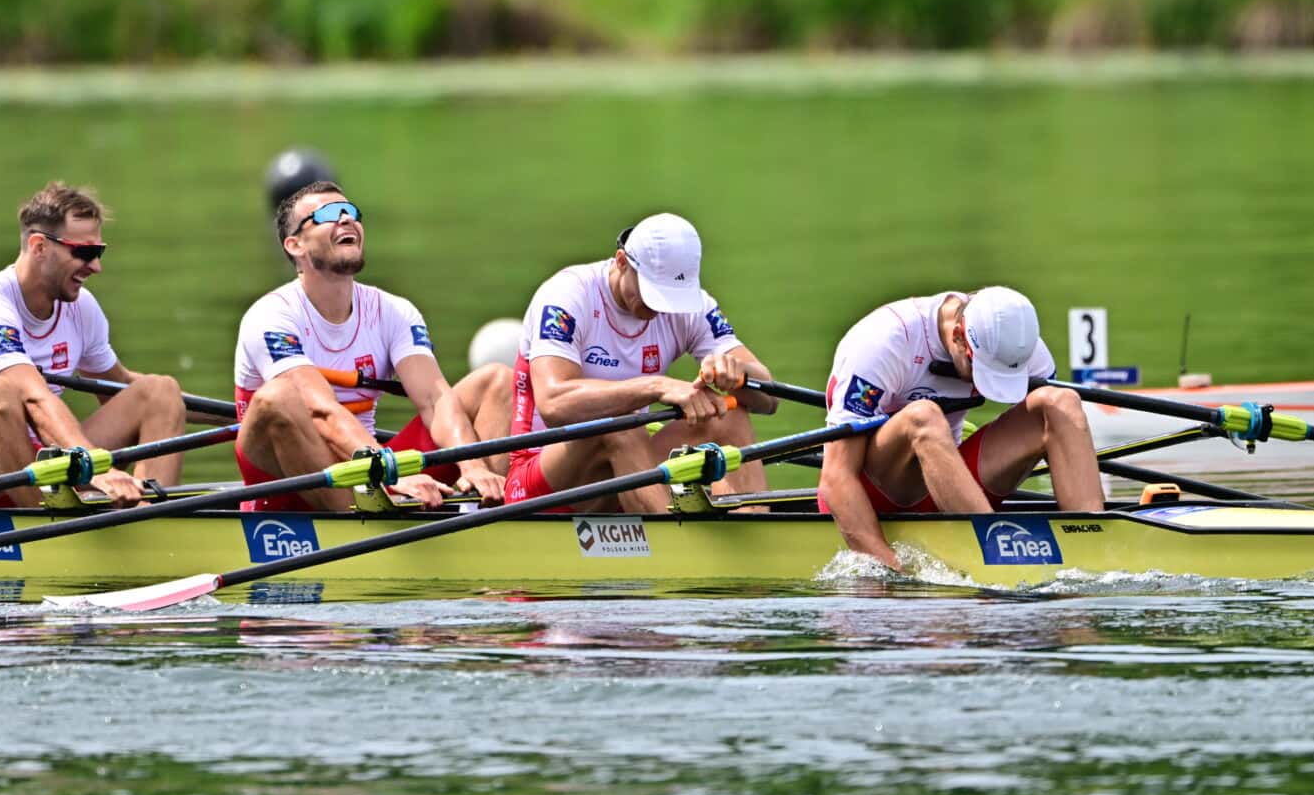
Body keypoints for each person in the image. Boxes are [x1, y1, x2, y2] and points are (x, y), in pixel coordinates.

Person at [232, 182, 511, 512]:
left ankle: (488, 508)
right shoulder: (271, 315)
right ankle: (366, 513)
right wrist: (388, 473)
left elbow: (435, 401)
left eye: (351, 213)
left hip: (372, 468)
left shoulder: (394, 311)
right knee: (277, 398)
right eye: (329, 215)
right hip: (285, 480)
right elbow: (320, 411)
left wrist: (471, 463)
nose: (346, 220)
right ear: (295, 244)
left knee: (496, 381)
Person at [0, 183, 187, 509]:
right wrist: (96, 466)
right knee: (0, 393)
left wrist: (243, 417)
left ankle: (148, 524)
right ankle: (49, 528)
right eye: (83, 252)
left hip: (37, 463)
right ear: (39, 246)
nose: (96, 266)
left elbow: (121, 388)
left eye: (98, 252)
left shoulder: (81, 308)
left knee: (160, 392)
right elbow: (32, 395)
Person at [506, 213, 777, 512]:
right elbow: (553, 404)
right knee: (621, 425)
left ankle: (754, 536)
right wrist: (655, 386)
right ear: (622, 261)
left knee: (728, 412)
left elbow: (769, 398)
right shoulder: (567, 295)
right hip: (540, 482)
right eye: (653, 291)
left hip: (628, 468)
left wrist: (737, 373)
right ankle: (671, 544)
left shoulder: (692, 305)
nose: (660, 307)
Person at [817, 286, 1100, 569]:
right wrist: (887, 568)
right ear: (957, 337)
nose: (981, 383)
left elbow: (1055, 432)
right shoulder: (884, 343)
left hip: (952, 487)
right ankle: (995, 548)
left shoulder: (1018, 345)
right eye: (980, 369)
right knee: (924, 415)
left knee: (1061, 402)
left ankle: (1096, 540)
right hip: (877, 494)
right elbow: (836, 478)